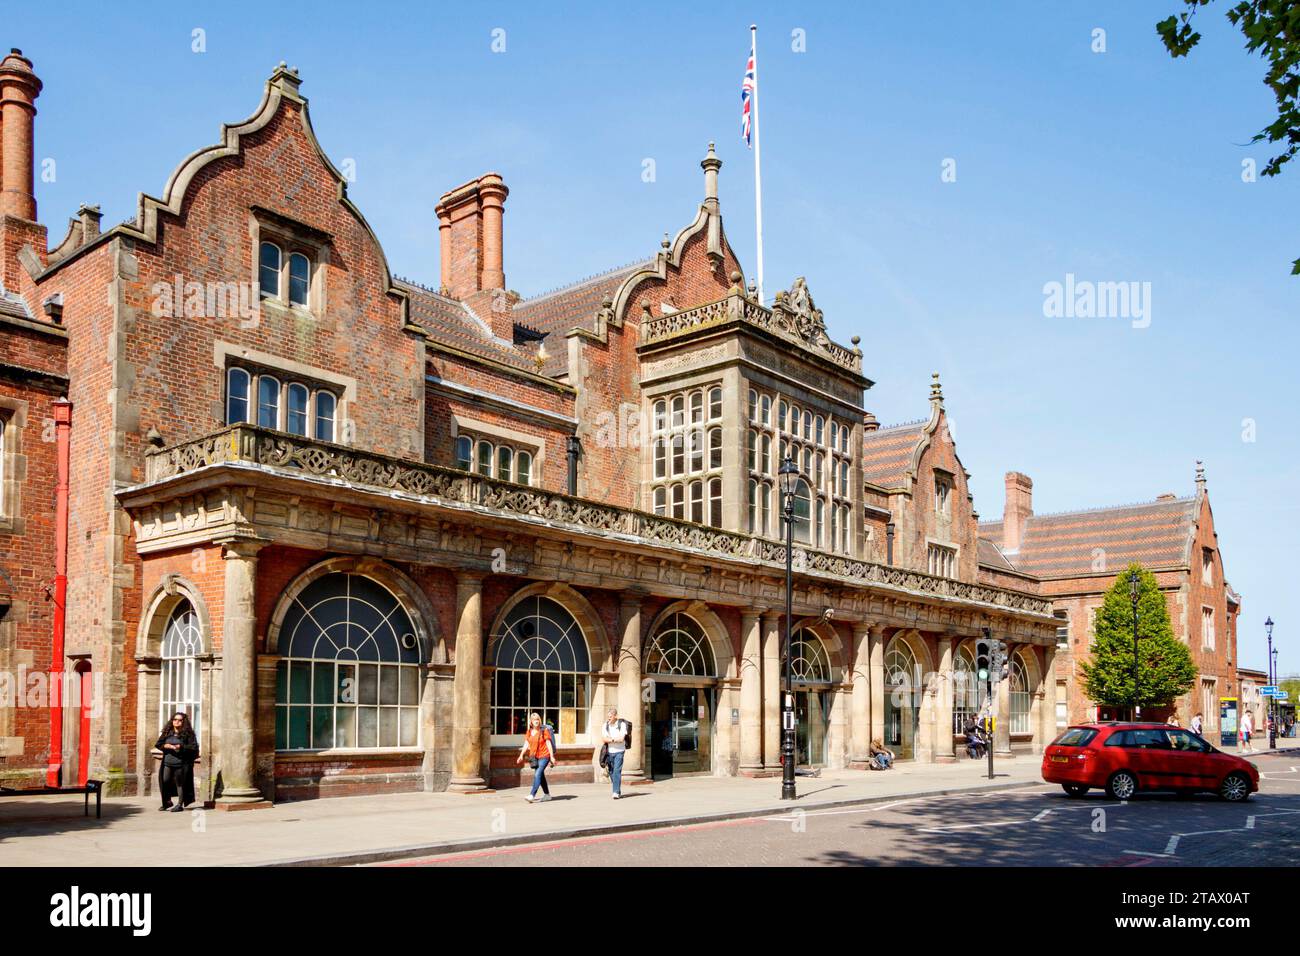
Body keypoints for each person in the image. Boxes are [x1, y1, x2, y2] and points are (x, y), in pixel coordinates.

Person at [155, 712, 199, 812]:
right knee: (165, 781)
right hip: (167, 762)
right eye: (175, 719)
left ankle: (180, 804)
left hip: (181, 763)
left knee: (180, 784)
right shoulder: (167, 732)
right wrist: (166, 746)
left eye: (179, 720)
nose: (177, 722)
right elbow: (158, 744)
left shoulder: (189, 734)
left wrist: (181, 747)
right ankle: (167, 802)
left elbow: (194, 748)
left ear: (184, 722)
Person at [516, 712, 556, 802]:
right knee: (541, 775)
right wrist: (521, 755)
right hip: (534, 757)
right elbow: (526, 744)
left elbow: (548, 743)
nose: (536, 721)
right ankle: (547, 795)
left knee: (537, 774)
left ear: (540, 720)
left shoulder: (544, 730)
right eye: (534, 720)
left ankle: (532, 795)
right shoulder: (529, 732)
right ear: (531, 721)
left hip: (545, 756)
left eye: (537, 719)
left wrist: (552, 756)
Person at [600, 706, 631, 800]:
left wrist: (610, 739)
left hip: (619, 751)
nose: (609, 718)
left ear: (616, 716)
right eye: (608, 716)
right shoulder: (605, 725)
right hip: (609, 752)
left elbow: (621, 739)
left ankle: (615, 792)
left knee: (617, 771)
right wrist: (614, 739)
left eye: (611, 716)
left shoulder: (622, 725)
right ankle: (617, 789)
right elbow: (604, 739)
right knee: (611, 772)